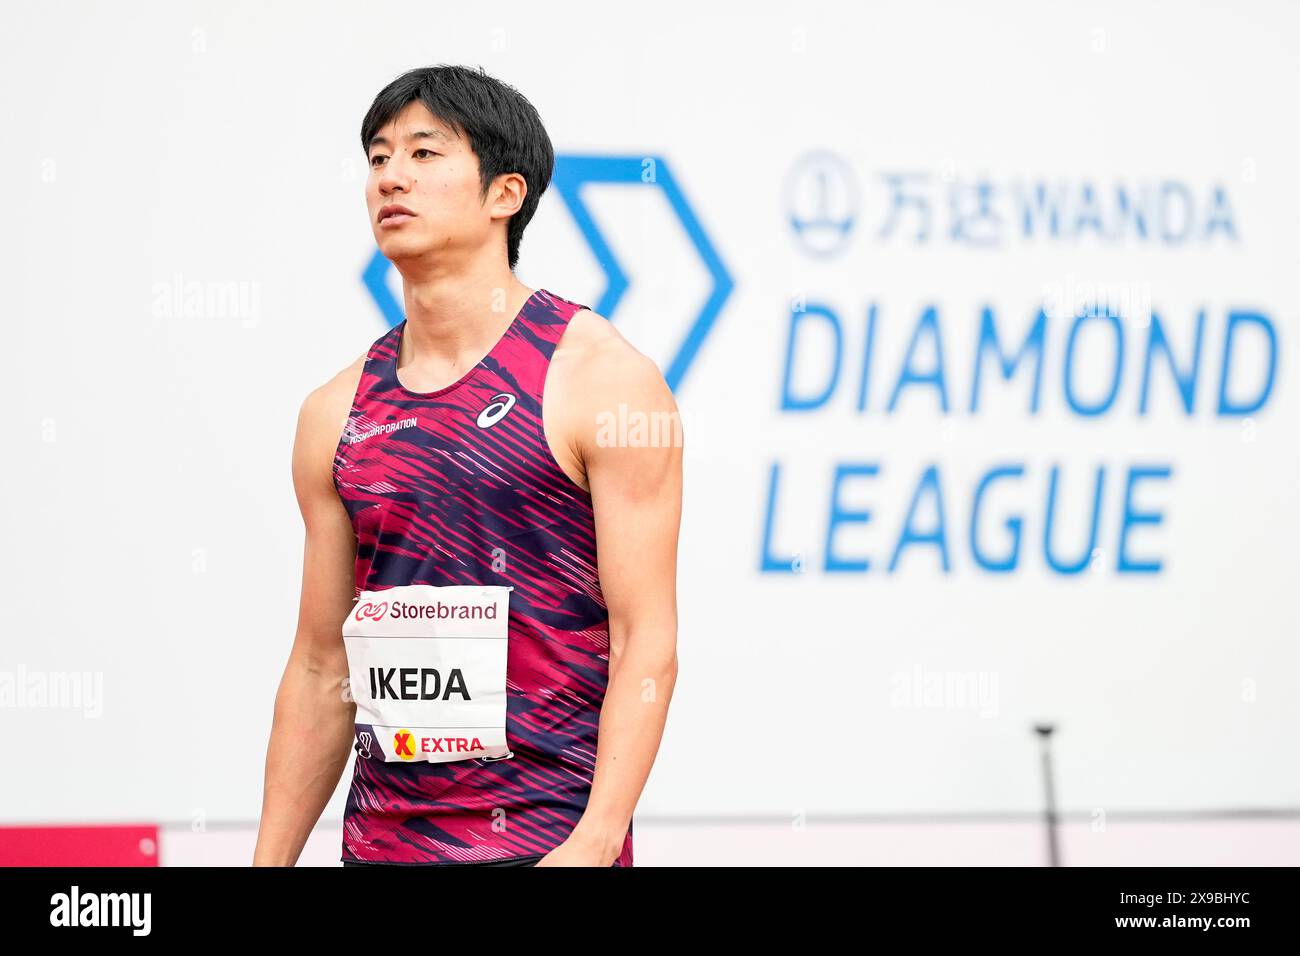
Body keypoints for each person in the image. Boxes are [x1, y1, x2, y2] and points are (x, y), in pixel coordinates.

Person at [252, 65, 681, 867]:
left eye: (423, 153)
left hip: (546, 839)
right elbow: (320, 664)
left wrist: (594, 843)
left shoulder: (600, 378)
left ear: (504, 194)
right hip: (381, 848)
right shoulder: (334, 411)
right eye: (378, 158)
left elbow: (646, 638)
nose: (392, 178)